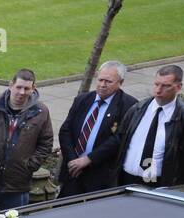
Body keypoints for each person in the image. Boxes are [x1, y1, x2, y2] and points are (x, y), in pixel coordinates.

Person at [0, 69, 53, 210]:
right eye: (19, 87)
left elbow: (46, 142)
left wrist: (29, 166)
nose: (21, 92)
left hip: (17, 187)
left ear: (33, 89)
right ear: (10, 85)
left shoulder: (41, 112)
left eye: (26, 88)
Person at [57, 61, 137, 197]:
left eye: (108, 81)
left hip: (99, 177)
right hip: (73, 173)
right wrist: (72, 161)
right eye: (100, 79)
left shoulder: (129, 105)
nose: (102, 85)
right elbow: (65, 130)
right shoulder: (82, 100)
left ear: (120, 82)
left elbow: (119, 139)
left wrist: (89, 159)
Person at [116, 65, 184, 189]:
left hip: (159, 184)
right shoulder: (138, 108)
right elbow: (121, 140)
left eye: (166, 86)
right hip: (126, 179)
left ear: (178, 87)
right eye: (156, 84)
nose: (158, 90)